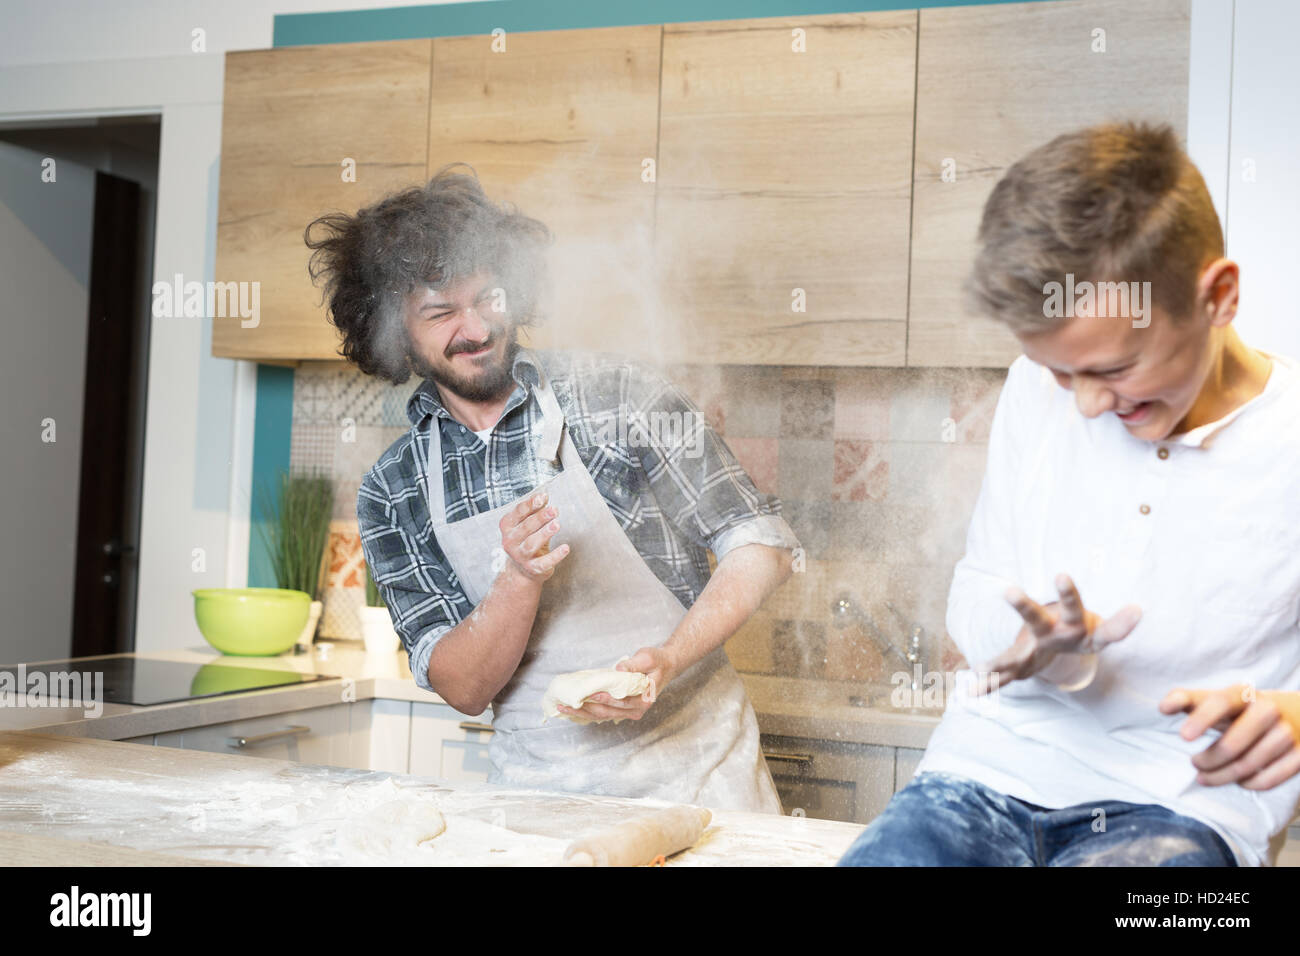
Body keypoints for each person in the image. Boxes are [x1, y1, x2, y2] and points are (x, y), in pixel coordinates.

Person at [840, 122, 1300, 866]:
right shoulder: (1035, 392)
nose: (1084, 405)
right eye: (1060, 372)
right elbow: (980, 590)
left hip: (1181, 811)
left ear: (1218, 295)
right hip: (981, 777)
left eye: (1114, 369)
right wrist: (1037, 646)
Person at [305, 165, 797, 812]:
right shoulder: (395, 490)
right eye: (441, 312)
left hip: (703, 784)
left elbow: (762, 547)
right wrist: (518, 579)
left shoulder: (620, 398)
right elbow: (462, 687)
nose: (476, 327)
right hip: (537, 806)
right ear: (394, 332)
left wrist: (669, 660)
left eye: (490, 298)